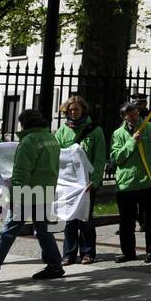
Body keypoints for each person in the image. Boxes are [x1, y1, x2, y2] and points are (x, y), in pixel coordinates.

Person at [0, 108, 64, 284]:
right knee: (44, 231)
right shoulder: (51, 139)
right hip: (45, 192)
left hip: (26, 194)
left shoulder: (29, 140)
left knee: (7, 233)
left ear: (25, 123)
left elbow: (21, 172)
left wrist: (15, 197)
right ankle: (55, 265)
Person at [54, 95, 106, 266]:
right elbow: (57, 156)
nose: (73, 112)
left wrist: (96, 179)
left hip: (87, 182)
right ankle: (69, 254)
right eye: (70, 110)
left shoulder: (95, 131)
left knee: (85, 219)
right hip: (67, 183)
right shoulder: (62, 131)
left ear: (83, 109)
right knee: (69, 219)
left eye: (76, 109)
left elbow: (99, 158)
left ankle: (88, 252)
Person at [110, 99, 151, 264]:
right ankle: (128, 252)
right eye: (129, 114)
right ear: (124, 116)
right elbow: (116, 158)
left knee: (150, 220)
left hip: (147, 181)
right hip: (127, 184)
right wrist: (132, 141)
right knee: (126, 222)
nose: (133, 116)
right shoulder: (118, 134)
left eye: (135, 113)